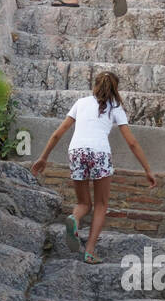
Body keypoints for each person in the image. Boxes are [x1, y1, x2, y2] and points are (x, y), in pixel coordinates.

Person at [30, 71, 156, 264]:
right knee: (101, 205)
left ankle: (75, 218)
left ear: (95, 86)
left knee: (83, 204)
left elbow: (58, 133)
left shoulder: (81, 103)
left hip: (77, 152)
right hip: (100, 153)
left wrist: (43, 157)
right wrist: (147, 169)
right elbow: (132, 143)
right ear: (115, 88)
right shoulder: (115, 107)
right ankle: (89, 251)